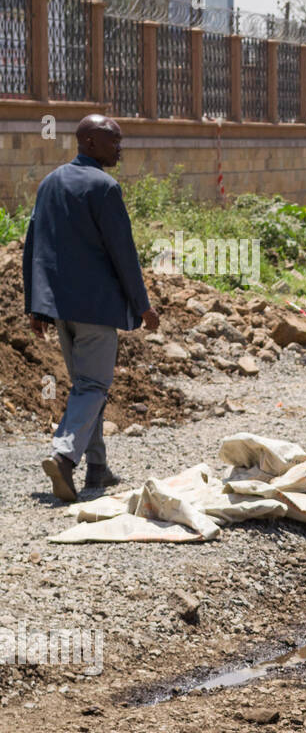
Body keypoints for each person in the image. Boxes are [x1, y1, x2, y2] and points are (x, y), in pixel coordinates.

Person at [23, 114, 159, 503]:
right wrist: (143, 305)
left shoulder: (50, 183)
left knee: (86, 387)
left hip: (60, 308)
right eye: (112, 140)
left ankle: (97, 467)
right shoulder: (104, 187)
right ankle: (64, 456)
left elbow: (35, 244)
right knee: (94, 386)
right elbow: (124, 254)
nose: (120, 147)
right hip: (96, 309)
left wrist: (36, 304)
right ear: (88, 143)